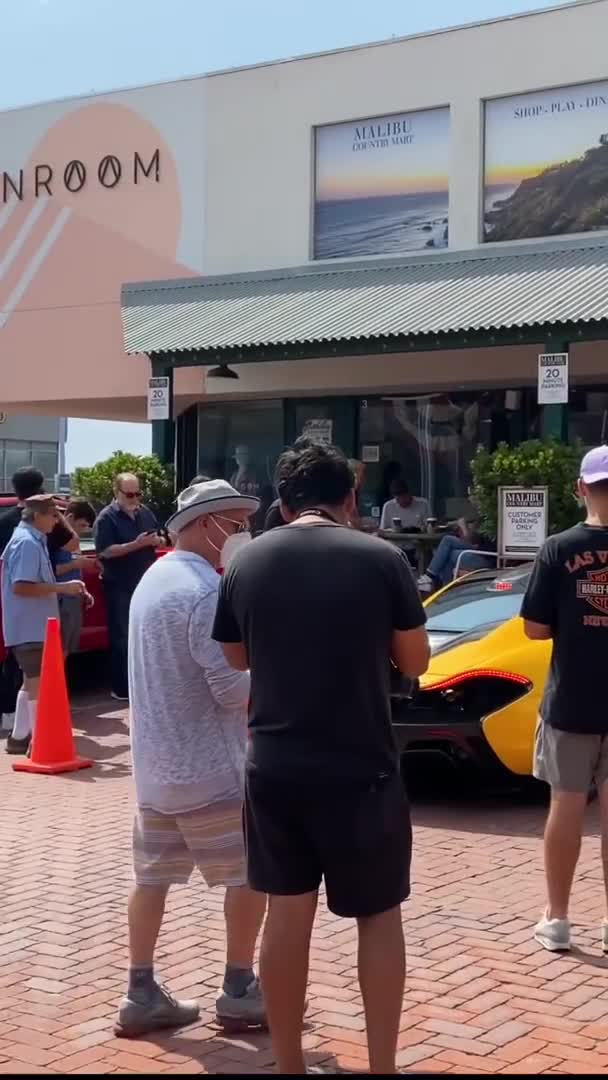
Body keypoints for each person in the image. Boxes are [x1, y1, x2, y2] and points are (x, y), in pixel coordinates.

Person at [212, 441, 429, 1075]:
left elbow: (234, 657)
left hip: (276, 763)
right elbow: (415, 661)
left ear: (282, 504)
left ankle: (288, 1066)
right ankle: (383, 1066)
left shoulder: (246, 563)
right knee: (379, 915)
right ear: (351, 499)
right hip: (362, 764)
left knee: (287, 907)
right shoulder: (380, 557)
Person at [115, 478, 266, 1039]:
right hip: (212, 768)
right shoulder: (206, 591)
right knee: (250, 876)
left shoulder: (156, 578)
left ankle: (140, 989)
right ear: (207, 525)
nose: (242, 531)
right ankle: (239, 988)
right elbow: (230, 689)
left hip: (156, 770)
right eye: (235, 519)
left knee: (152, 878)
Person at [522, 446, 608, 953]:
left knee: (567, 804)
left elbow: (534, 628)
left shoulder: (558, 548)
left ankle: (557, 918)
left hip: (571, 698)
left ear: (580, 488)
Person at [2, 495, 89, 754]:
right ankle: (39, 743)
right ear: (39, 515)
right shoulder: (27, 543)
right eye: (54, 515)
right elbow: (21, 586)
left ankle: (20, 739)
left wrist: (70, 590)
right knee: (38, 685)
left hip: (32, 626)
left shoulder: (31, 540)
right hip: (30, 627)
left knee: (31, 682)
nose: (58, 521)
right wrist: (63, 587)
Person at [94, 474, 162, 702]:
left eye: (137, 493)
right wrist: (137, 544)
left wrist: (158, 541)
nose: (135, 498)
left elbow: (161, 536)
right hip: (119, 585)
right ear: (117, 493)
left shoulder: (145, 513)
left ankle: (142, 683)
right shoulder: (107, 518)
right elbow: (105, 551)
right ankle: (122, 687)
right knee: (122, 637)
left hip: (145, 582)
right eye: (129, 494)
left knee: (145, 634)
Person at [53, 499, 97, 657]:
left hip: (73, 600)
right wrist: (76, 564)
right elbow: (50, 571)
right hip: (60, 601)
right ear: (69, 517)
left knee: (66, 650)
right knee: (57, 651)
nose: (84, 530)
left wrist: (83, 592)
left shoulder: (73, 539)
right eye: (82, 525)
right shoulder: (55, 539)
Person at [417, 517, 494, 592]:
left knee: (448, 545)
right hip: (478, 551)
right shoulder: (483, 517)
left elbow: (471, 541)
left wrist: (464, 527)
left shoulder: (490, 520)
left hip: (486, 556)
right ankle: (442, 586)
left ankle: (433, 580)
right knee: (447, 549)